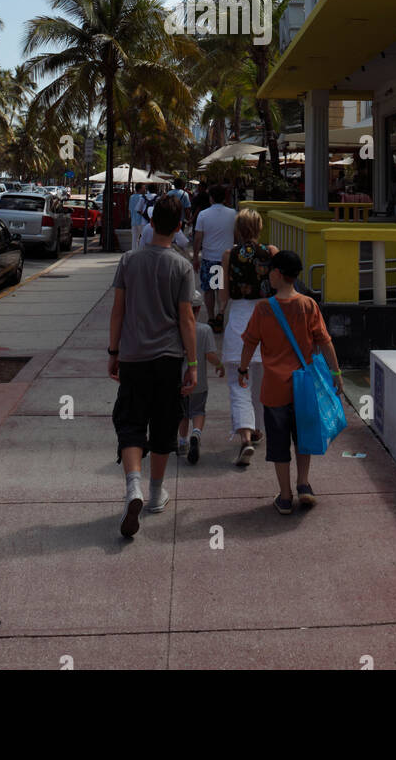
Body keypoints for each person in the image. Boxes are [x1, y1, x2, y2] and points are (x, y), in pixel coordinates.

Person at [108, 194, 198, 538]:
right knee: (164, 423)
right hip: (168, 359)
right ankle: (157, 493)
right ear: (178, 228)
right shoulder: (181, 266)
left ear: (149, 223)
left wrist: (113, 351)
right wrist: (193, 364)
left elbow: (118, 310)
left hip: (132, 357)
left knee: (131, 421)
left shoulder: (128, 261)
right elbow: (187, 319)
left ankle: (133, 487)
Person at [238, 250, 343, 516]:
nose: (268, 275)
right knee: (303, 437)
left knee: (278, 443)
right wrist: (336, 373)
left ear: (278, 273)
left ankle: (285, 497)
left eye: (270, 270)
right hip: (304, 387)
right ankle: (303, 484)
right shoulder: (308, 305)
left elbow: (250, 342)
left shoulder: (263, 308)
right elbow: (324, 340)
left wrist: (242, 369)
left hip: (274, 389)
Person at [219, 209, 277, 466]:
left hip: (239, 321)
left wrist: (220, 314)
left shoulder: (228, 255)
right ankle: (257, 429)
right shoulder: (272, 252)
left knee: (238, 383)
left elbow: (224, 293)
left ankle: (245, 435)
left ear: (238, 228)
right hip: (266, 321)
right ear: (259, 227)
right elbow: (279, 288)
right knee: (262, 383)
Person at [177, 293, 225, 463]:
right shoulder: (205, 330)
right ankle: (196, 434)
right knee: (198, 410)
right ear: (199, 309)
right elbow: (210, 355)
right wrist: (219, 365)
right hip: (199, 382)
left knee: (182, 414)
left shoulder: (176, 328)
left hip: (179, 381)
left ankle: (182, 442)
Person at [192, 183, 238, 329]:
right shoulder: (233, 213)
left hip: (209, 257)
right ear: (224, 198)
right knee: (223, 287)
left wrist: (195, 257)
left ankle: (211, 317)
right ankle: (222, 313)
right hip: (227, 258)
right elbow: (237, 235)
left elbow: (198, 238)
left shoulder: (203, 215)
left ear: (211, 198)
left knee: (210, 289)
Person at [128, 182, 148, 250]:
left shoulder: (131, 197)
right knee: (144, 238)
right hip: (142, 221)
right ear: (140, 189)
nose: (145, 190)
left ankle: (134, 252)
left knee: (134, 239)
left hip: (133, 221)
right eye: (144, 188)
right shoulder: (143, 197)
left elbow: (130, 209)